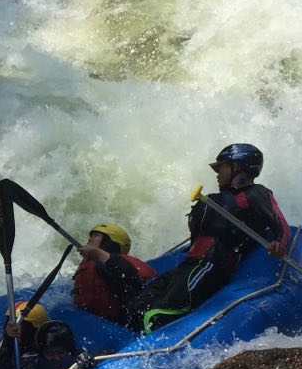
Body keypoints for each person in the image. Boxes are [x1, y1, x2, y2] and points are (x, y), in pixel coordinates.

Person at [124, 143, 290, 334]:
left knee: (156, 314)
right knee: (135, 307)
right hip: (187, 266)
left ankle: (147, 353)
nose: (217, 173)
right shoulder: (213, 199)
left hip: (211, 266)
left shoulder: (255, 193)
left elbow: (280, 224)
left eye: (222, 167)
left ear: (239, 167)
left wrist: (279, 243)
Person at [71, 222, 156, 322]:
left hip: (112, 321)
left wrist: (100, 255)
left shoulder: (120, 264)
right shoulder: (89, 263)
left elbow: (131, 280)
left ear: (110, 242)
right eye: (91, 236)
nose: (90, 239)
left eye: (96, 235)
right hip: (85, 315)